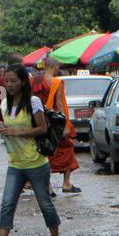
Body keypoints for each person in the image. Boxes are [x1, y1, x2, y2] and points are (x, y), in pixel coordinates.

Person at [0, 64, 62, 236]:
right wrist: (4, 130)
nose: (10, 84)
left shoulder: (33, 102)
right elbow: (7, 127)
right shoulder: (4, 104)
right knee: (7, 203)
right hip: (15, 163)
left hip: (36, 162)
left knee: (45, 202)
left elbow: (42, 128)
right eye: (7, 81)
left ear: (22, 81)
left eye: (14, 81)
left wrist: (17, 132)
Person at [40, 56, 80, 193]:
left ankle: (48, 187)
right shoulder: (56, 82)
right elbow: (58, 104)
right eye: (58, 67)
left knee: (45, 153)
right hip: (55, 122)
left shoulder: (36, 80)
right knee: (67, 150)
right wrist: (65, 125)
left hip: (41, 121)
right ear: (55, 67)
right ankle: (66, 183)